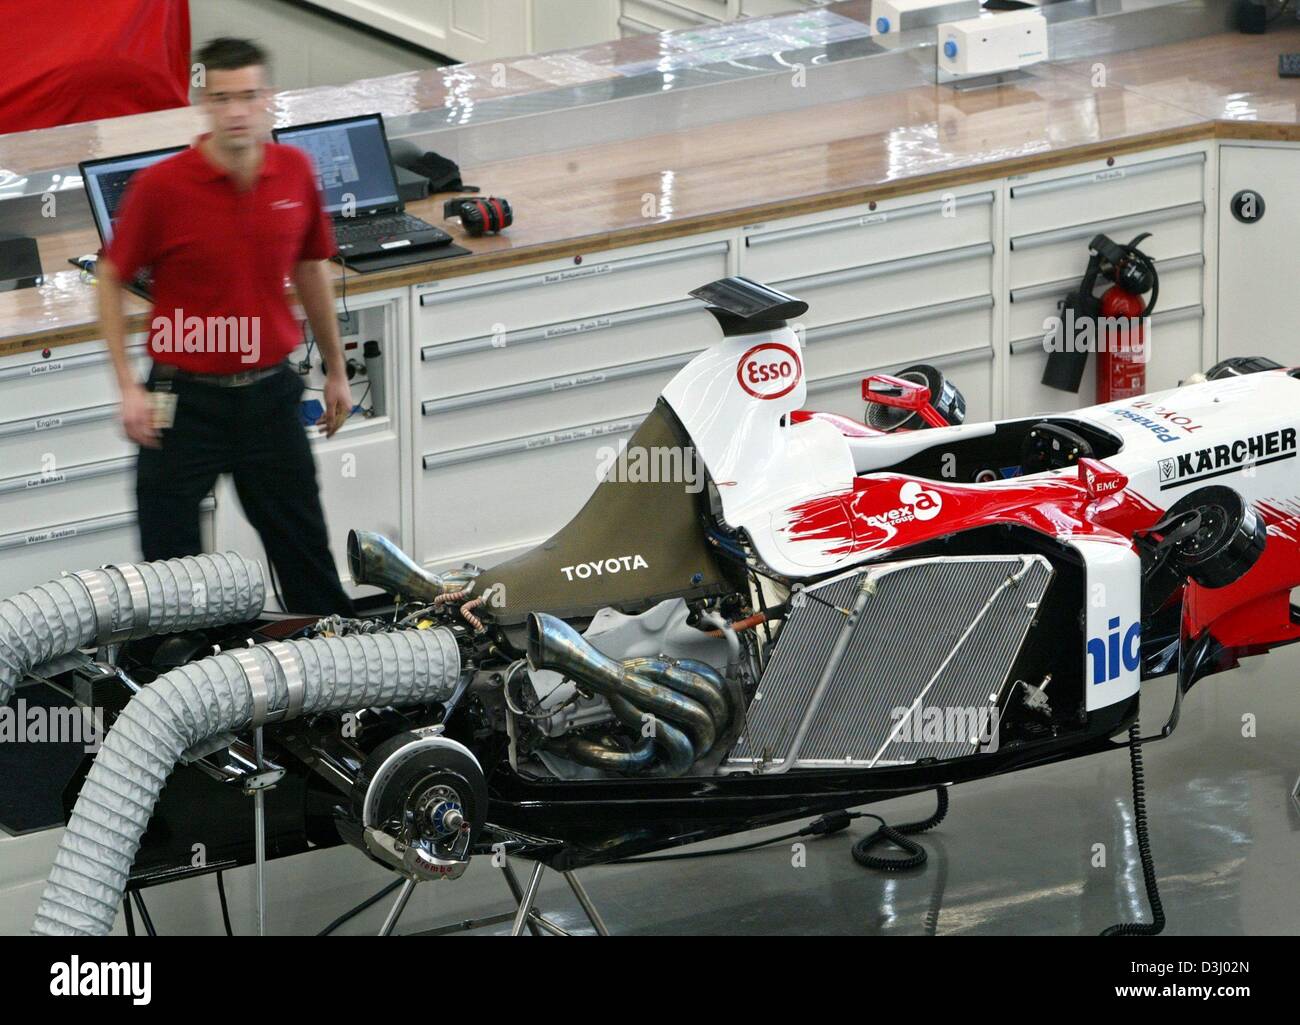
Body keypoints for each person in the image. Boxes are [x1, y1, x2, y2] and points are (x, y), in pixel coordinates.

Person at [99, 36, 355, 616]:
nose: (236, 111)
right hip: (182, 402)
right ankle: (182, 684)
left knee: (307, 561)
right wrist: (127, 387)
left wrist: (336, 371)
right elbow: (110, 281)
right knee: (171, 572)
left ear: (269, 99)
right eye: (221, 98)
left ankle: (335, 688)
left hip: (270, 396)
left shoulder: (294, 171)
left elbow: (311, 267)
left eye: (248, 96)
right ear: (203, 103)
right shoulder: (161, 188)